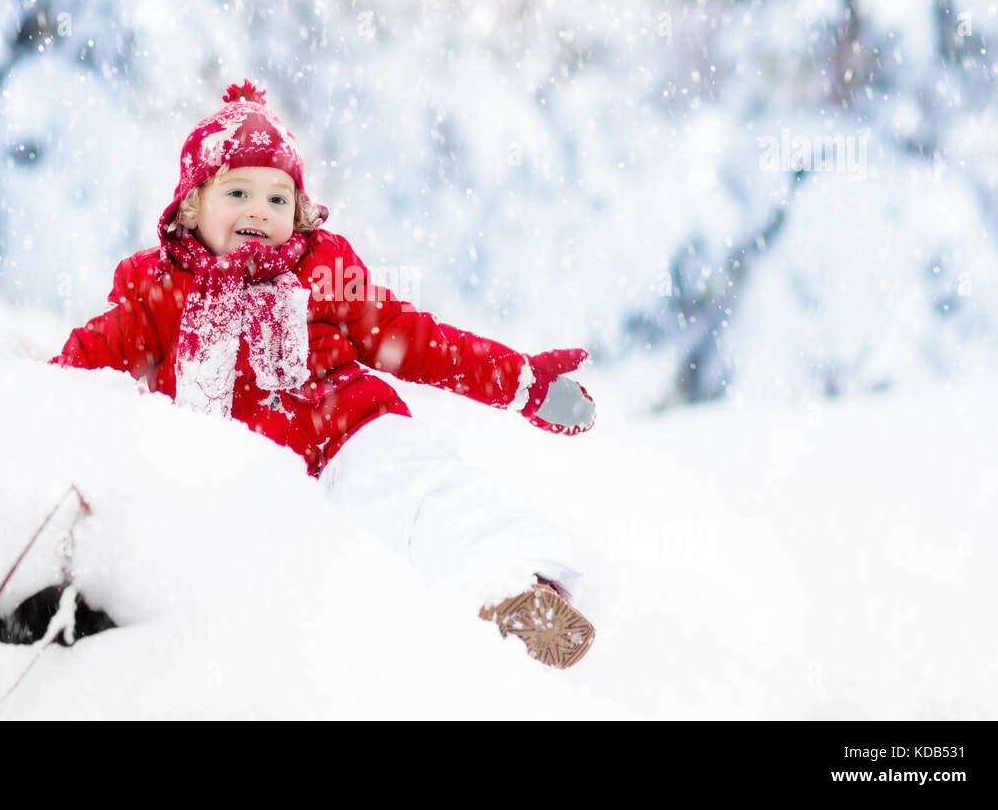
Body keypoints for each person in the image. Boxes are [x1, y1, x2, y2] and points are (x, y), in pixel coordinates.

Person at [50, 80, 598, 667]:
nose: (260, 210)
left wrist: (524, 384)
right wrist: (6, 396)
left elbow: (418, 342)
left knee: (422, 493)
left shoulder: (323, 270)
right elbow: (75, 378)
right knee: (316, 576)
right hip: (247, 475)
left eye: (278, 199)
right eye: (238, 191)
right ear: (191, 205)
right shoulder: (157, 293)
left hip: (352, 431)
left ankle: (516, 588)